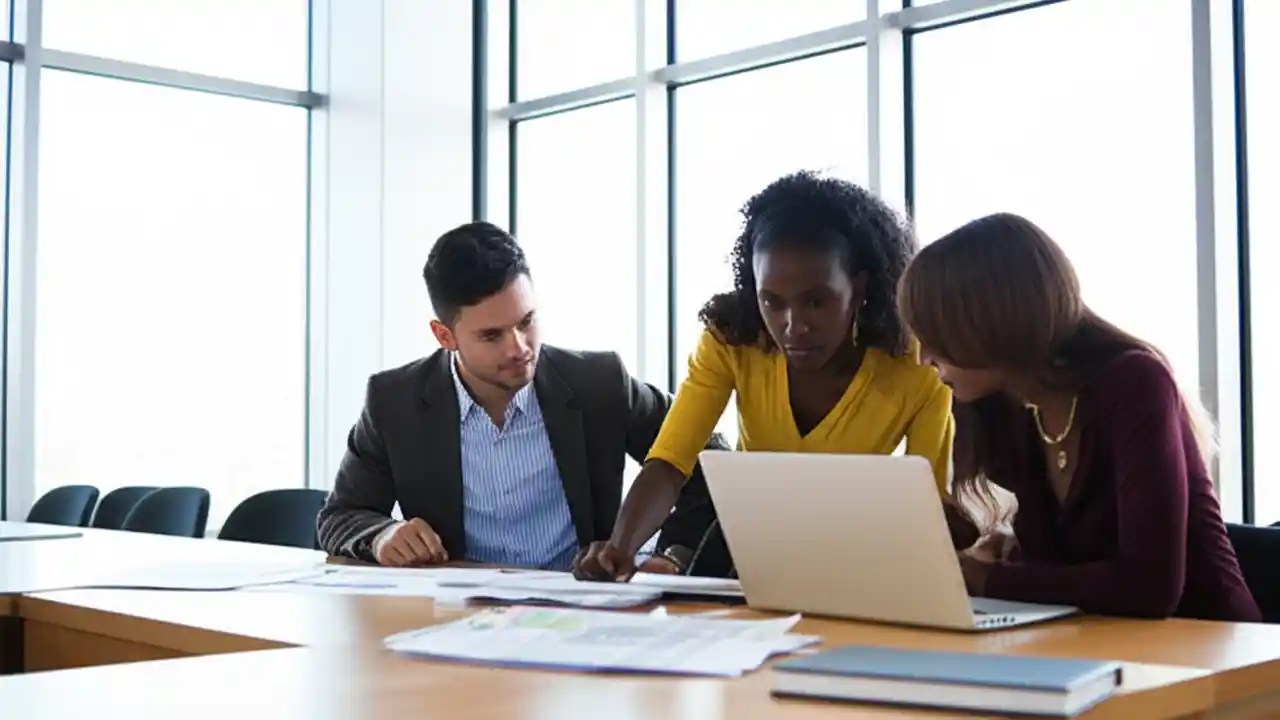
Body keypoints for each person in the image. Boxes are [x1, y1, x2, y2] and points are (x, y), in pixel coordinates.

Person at [574, 171, 966, 581]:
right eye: (772, 302)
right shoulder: (731, 341)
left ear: (859, 287)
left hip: (859, 557)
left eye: (816, 301)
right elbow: (670, 463)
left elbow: (926, 506)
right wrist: (619, 547)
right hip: (747, 551)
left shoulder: (918, 367)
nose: (793, 326)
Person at [898, 212, 1261, 621]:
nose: (925, 357)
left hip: (1215, 652)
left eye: (937, 336)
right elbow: (1070, 572)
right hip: (1099, 644)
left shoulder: (1134, 381)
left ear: (992, 322)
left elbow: (1149, 589)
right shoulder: (1003, 406)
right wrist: (1013, 557)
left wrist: (988, 579)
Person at [317, 221, 724, 570]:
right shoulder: (394, 403)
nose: (519, 348)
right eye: (491, 335)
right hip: (457, 619)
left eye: (526, 321)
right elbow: (339, 516)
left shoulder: (598, 383)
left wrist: (674, 553)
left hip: (584, 613)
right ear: (445, 336)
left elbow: (712, 463)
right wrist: (383, 536)